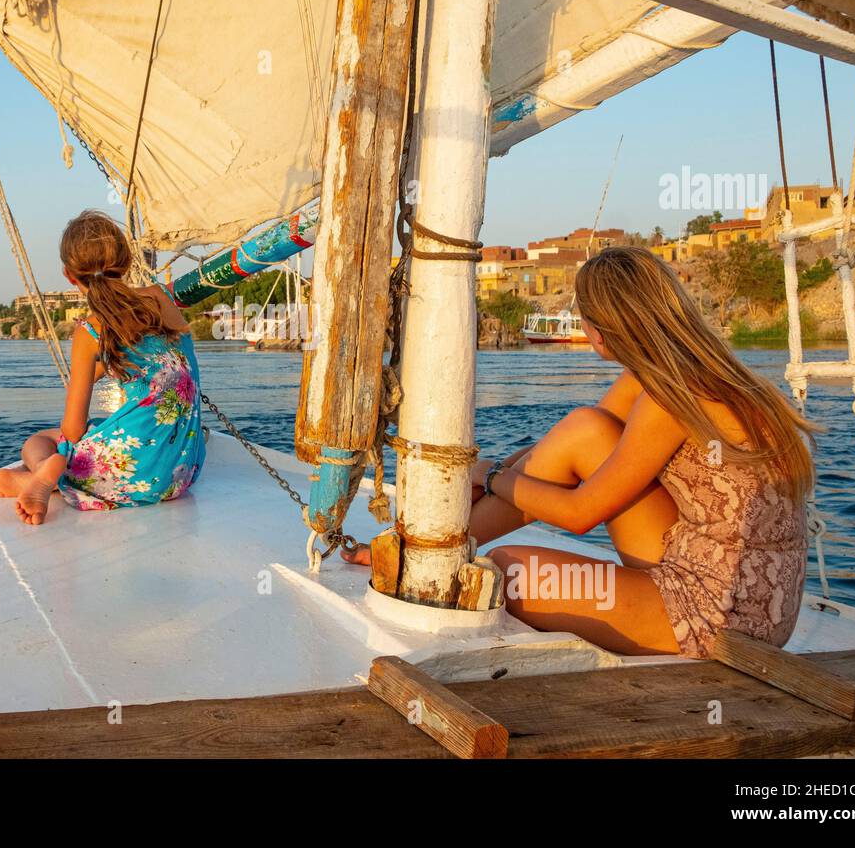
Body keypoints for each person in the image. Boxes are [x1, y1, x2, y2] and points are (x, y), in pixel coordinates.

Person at [347, 246, 814, 658]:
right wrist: (485, 481)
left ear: (600, 331)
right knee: (585, 428)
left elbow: (578, 513)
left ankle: (429, 545)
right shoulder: (684, 374)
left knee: (510, 570)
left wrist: (488, 475)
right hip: (755, 596)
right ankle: (428, 543)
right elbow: (570, 445)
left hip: (721, 612)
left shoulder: (667, 399)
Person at [0, 210, 205, 524]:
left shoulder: (89, 332)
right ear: (127, 261)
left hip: (128, 478)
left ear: (69, 276)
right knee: (115, 428)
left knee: (40, 442)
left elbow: (73, 429)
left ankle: (38, 479)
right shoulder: (160, 298)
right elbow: (159, 363)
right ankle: (51, 477)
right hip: (180, 475)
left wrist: (86, 375)